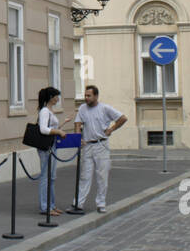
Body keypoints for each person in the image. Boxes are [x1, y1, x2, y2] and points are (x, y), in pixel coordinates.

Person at [68, 83, 127, 214]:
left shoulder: (105, 108)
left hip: (101, 144)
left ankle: (101, 203)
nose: (86, 98)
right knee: (85, 175)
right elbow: (78, 123)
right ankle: (78, 203)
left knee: (102, 175)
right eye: (85, 95)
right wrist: (78, 137)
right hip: (88, 145)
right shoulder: (82, 108)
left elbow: (123, 118)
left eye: (89, 95)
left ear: (96, 96)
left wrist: (111, 129)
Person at [36, 86, 67, 216]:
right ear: (51, 97)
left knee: (52, 177)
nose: (58, 98)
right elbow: (43, 129)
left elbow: (50, 128)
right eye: (56, 96)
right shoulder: (44, 111)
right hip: (46, 147)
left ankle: (51, 205)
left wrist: (61, 125)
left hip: (52, 144)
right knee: (46, 176)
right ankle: (45, 207)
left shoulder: (49, 111)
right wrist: (58, 131)